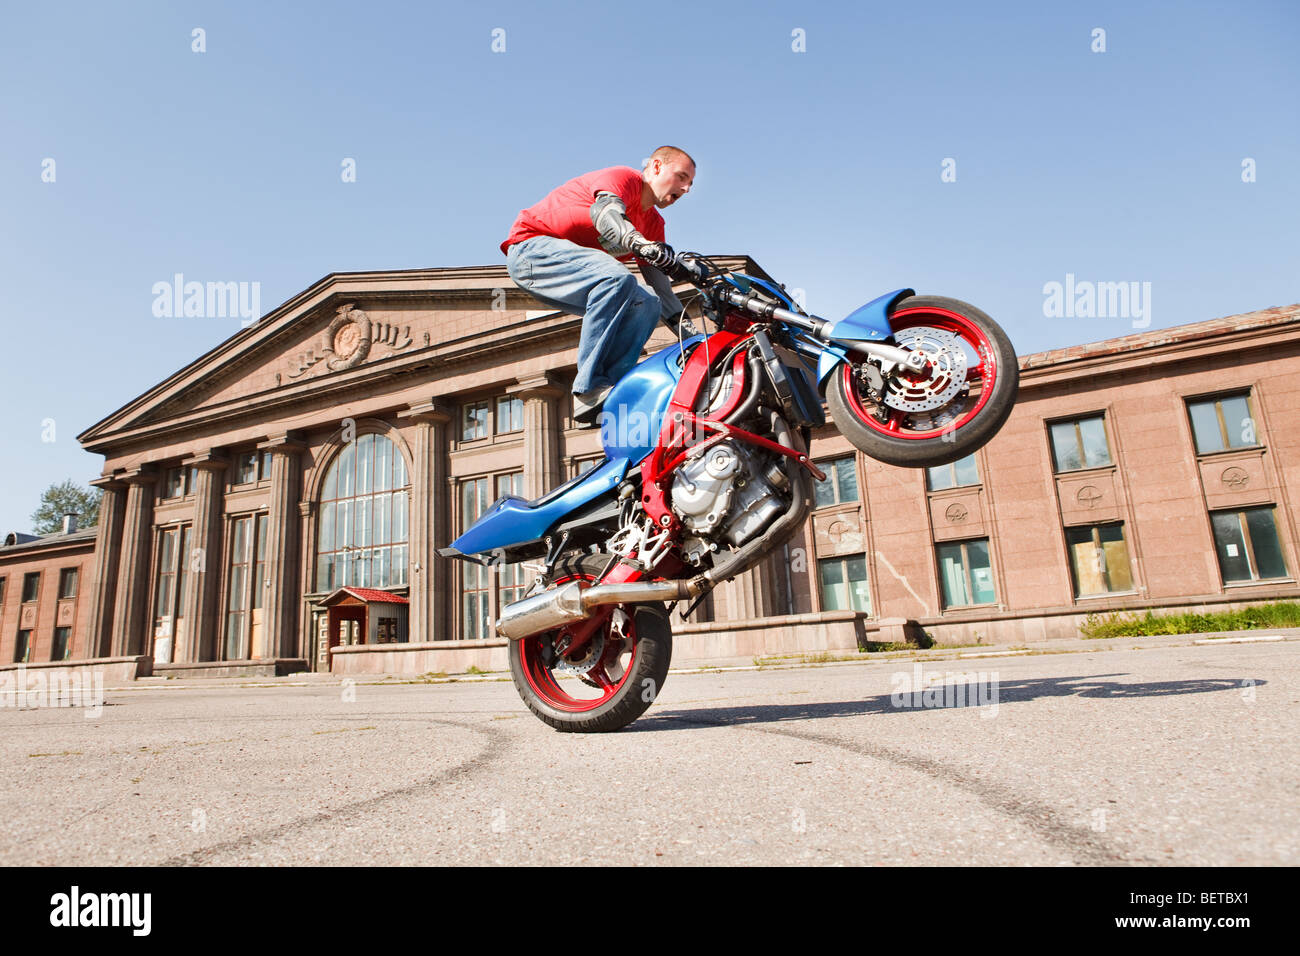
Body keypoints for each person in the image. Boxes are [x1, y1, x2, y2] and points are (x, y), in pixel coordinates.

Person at [500, 146, 698, 426]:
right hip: (531, 251)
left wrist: (693, 340)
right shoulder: (624, 179)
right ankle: (590, 389)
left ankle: (613, 389)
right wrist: (639, 243)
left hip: (570, 271)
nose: (687, 188)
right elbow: (606, 214)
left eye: (690, 183)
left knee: (647, 302)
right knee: (617, 278)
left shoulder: (653, 223)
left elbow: (663, 292)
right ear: (655, 167)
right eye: (681, 177)